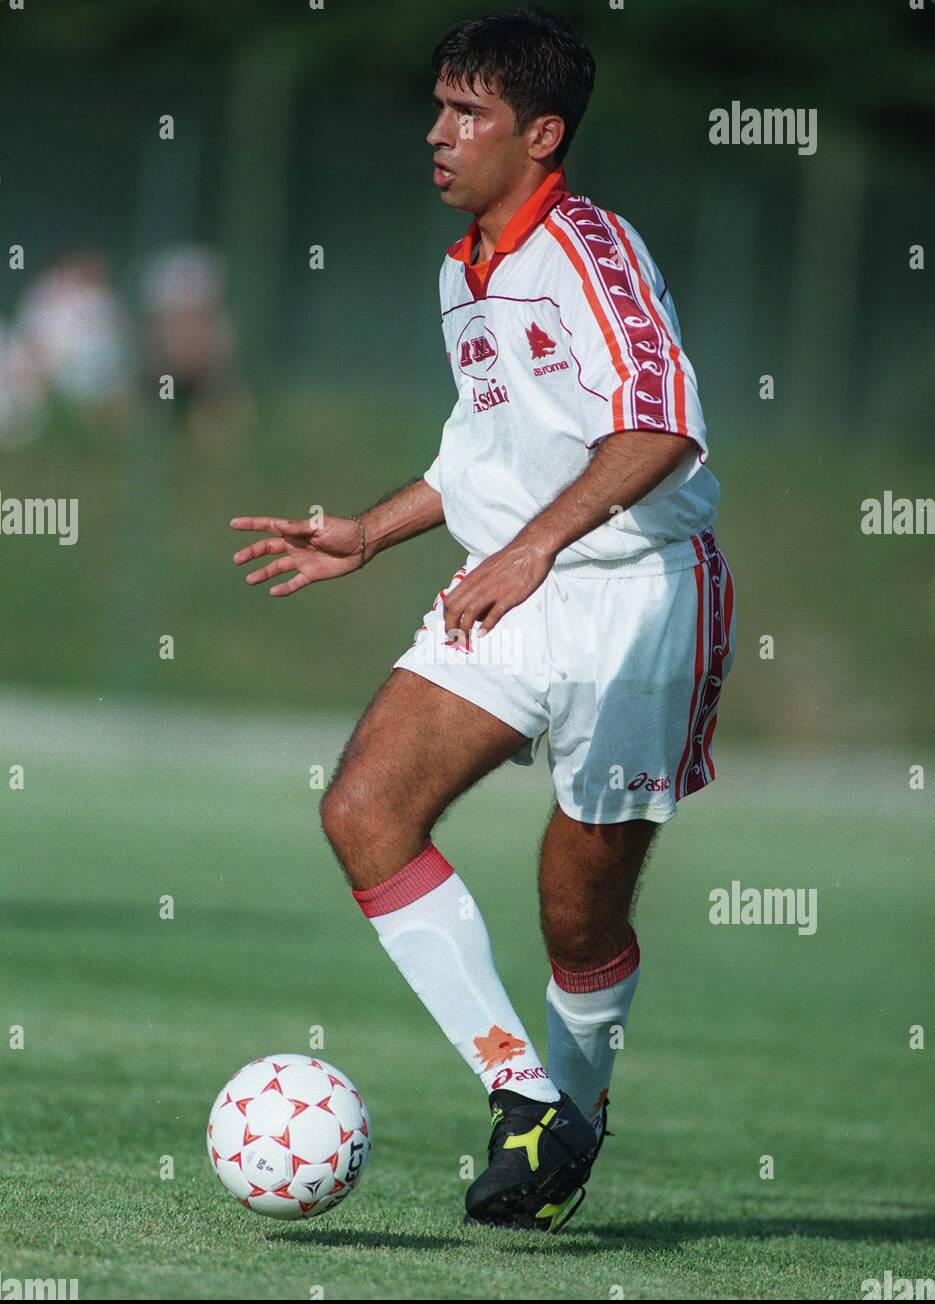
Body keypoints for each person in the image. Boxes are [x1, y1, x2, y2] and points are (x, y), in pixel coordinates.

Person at [231, 8, 735, 1232]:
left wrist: (528, 548)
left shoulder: (587, 247)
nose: (438, 133)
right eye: (439, 105)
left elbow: (660, 428)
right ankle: (522, 1094)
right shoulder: (465, 269)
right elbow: (482, 460)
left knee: (579, 907)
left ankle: (576, 1107)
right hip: (512, 586)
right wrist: (366, 529)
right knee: (363, 808)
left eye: (470, 113)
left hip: (636, 599)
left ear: (542, 135)